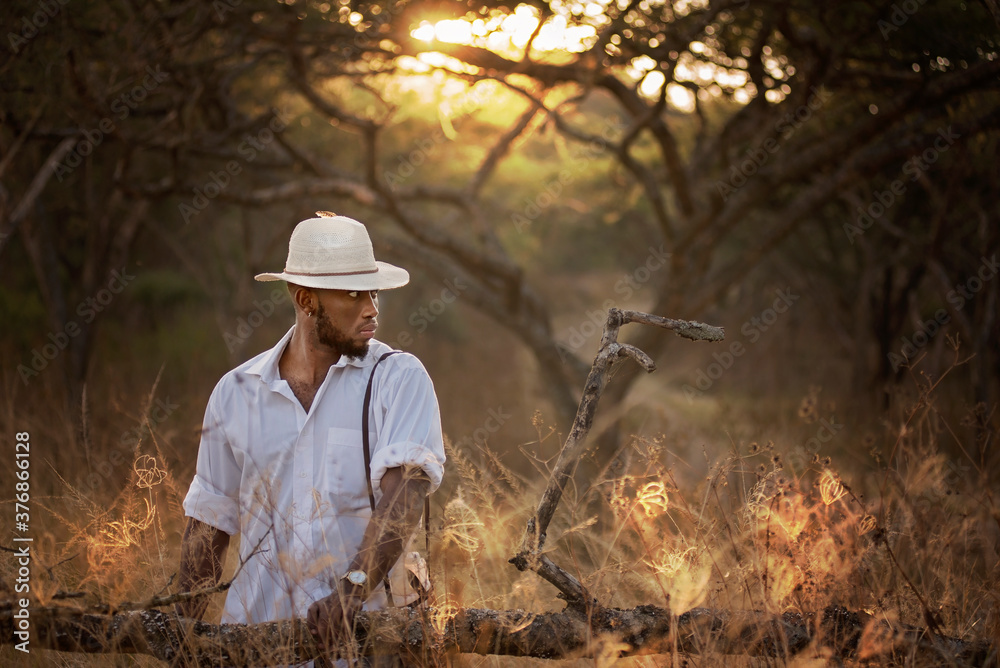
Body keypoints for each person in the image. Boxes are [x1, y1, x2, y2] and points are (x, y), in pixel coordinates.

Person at [177, 214, 445, 663]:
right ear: (306, 300)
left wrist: (353, 590)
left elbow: (406, 495)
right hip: (256, 646)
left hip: (367, 648)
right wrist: (181, 639)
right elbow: (209, 522)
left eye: (373, 292)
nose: (371, 309)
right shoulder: (236, 392)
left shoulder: (398, 378)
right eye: (353, 294)